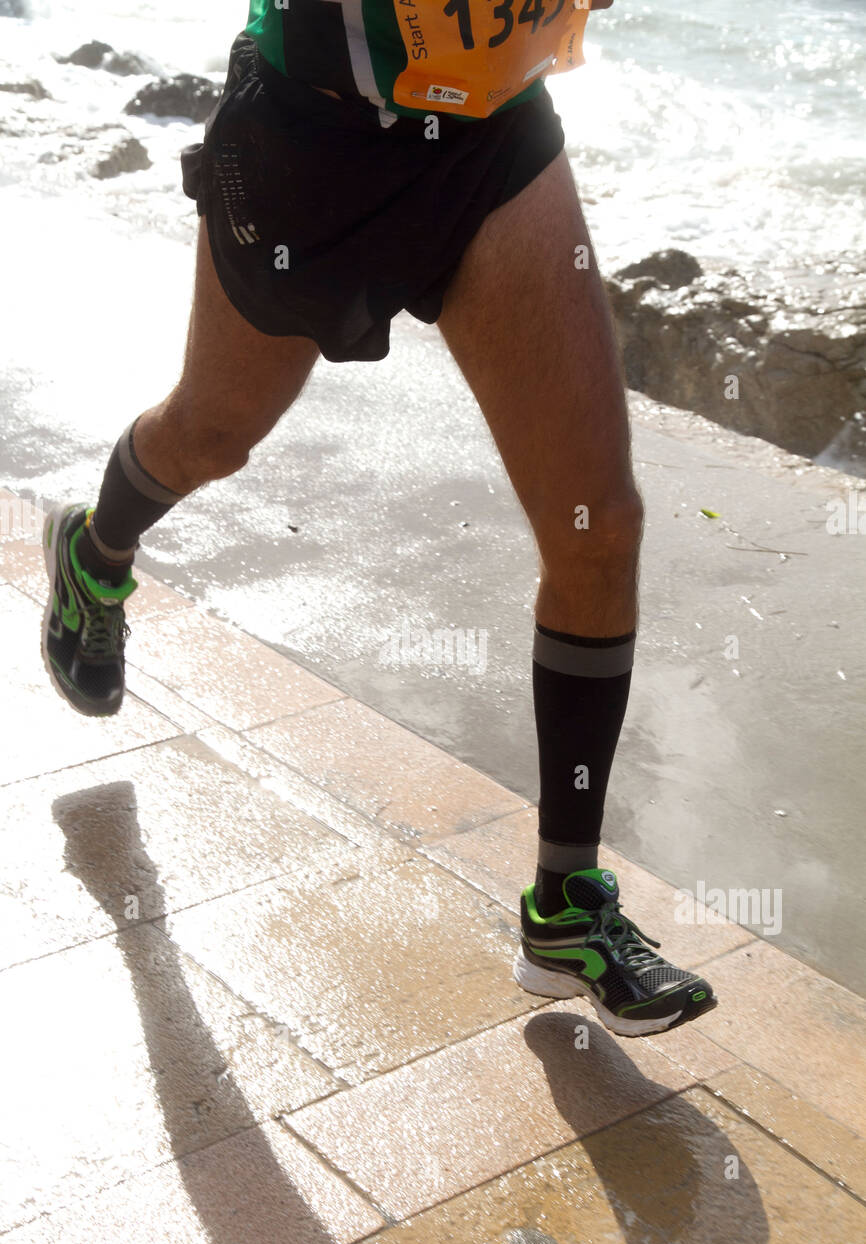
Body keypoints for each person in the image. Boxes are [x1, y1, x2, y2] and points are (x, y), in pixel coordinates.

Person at [42, 0, 716, 1036]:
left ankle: (565, 908)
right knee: (213, 434)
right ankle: (97, 551)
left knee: (598, 526)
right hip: (310, 142)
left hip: (489, 136)